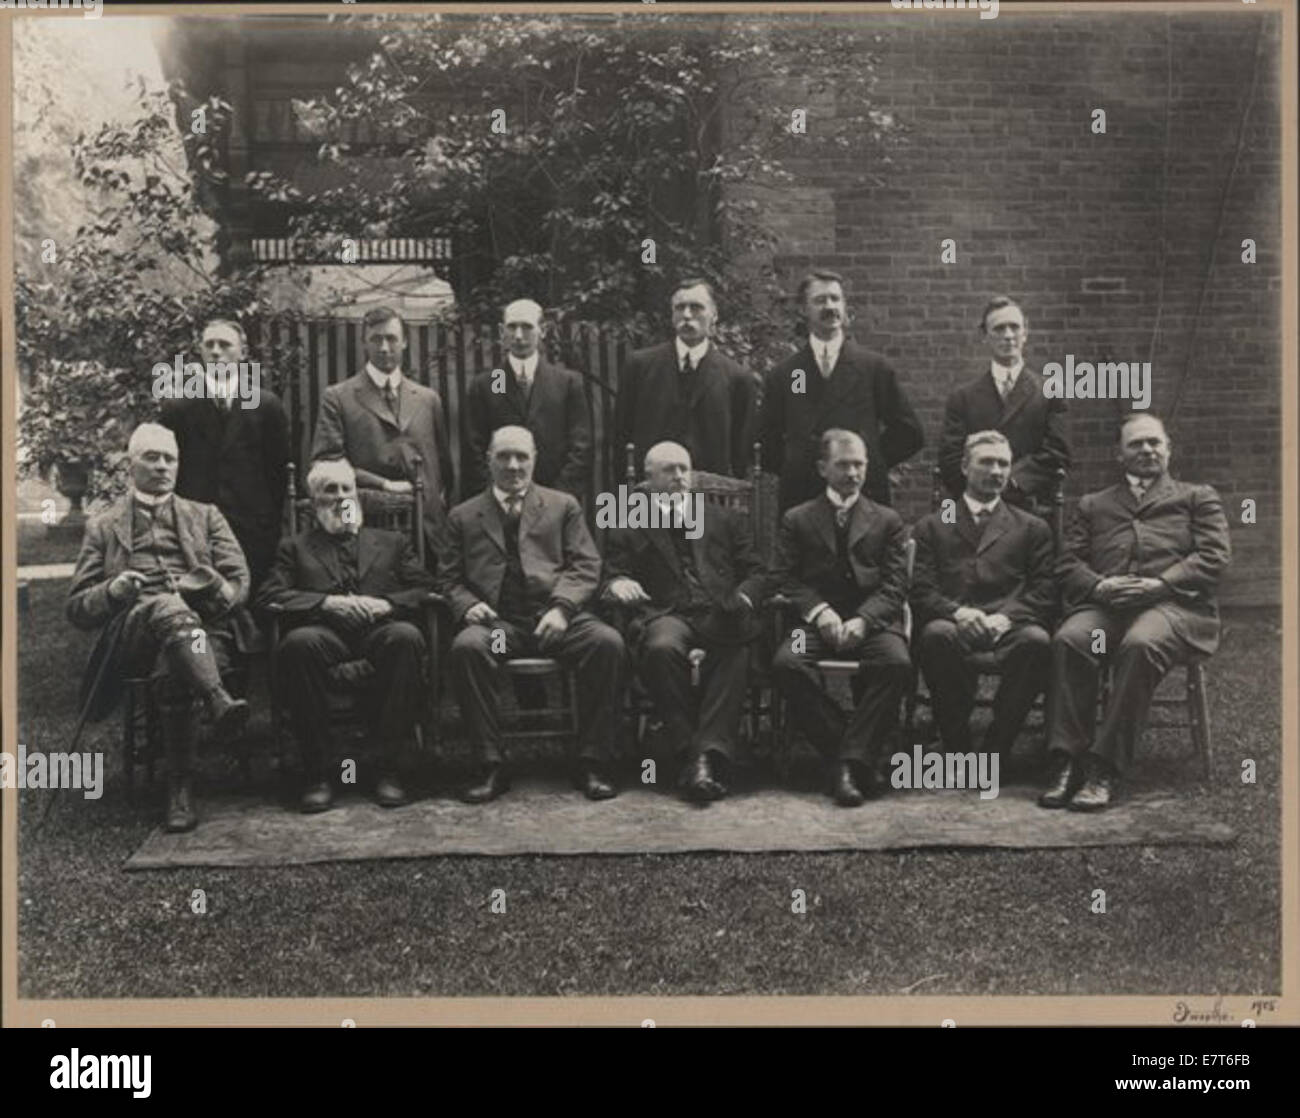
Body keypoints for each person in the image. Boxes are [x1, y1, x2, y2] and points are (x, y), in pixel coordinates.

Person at [66, 423, 257, 833]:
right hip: (134, 634)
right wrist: (114, 590)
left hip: (201, 634)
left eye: (170, 458)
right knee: (166, 606)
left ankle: (179, 790)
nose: (162, 466)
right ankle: (218, 698)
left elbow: (239, 580)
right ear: (129, 465)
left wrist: (216, 589)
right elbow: (78, 608)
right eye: (151, 457)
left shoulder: (205, 516)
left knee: (175, 667)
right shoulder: (104, 525)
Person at [1041, 415, 1230, 811]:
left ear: (1168, 448)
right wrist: (1099, 586)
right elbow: (1067, 563)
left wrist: (1162, 584)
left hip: (1174, 607)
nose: (1146, 450)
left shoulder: (1197, 497)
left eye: (1154, 443)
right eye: (1136, 444)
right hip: (1108, 609)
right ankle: (1067, 759)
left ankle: (1104, 767)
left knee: (1141, 643)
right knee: (1072, 639)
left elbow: (1214, 557)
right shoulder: (1095, 504)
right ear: (1118, 454)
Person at [441, 426, 625, 803]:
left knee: (606, 643)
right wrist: (468, 604)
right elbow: (448, 578)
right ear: (488, 460)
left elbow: (586, 565)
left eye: (521, 456)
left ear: (535, 459)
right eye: (504, 456)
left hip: (558, 619)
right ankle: (491, 764)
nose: (513, 466)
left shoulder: (563, 506)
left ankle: (591, 760)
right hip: (500, 625)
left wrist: (562, 608)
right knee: (468, 648)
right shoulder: (463, 515)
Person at [257, 458, 437, 812]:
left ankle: (387, 769)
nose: (340, 497)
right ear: (313, 500)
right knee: (298, 644)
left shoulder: (392, 542)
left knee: (406, 637)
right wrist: (326, 603)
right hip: (325, 634)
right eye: (330, 490)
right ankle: (319, 773)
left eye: (346, 489)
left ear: (357, 495)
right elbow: (269, 596)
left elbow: (427, 589)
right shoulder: (296, 547)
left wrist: (386, 604)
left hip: (379, 630)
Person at [603, 441, 767, 802]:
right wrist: (620, 583)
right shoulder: (628, 516)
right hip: (665, 612)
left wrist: (744, 597)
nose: (679, 476)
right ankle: (696, 754)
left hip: (718, 610)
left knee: (735, 651)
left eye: (683, 468)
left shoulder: (721, 517)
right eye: (669, 470)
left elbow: (755, 570)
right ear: (648, 478)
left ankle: (700, 758)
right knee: (661, 648)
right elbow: (611, 572)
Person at [770, 429, 912, 806]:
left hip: (874, 621)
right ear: (822, 468)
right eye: (843, 464)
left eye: (859, 464)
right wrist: (820, 612)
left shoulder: (887, 520)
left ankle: (845, 763)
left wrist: (863, 620)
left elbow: (896, 585)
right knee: (786, 663)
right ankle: (853, 755)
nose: (853, 473)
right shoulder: (797, 518)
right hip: (813, 623)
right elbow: (784, 577)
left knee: (896, 662)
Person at [910, 430, 1056, 763]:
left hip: (1010, 625)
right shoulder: (934, 524)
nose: (996, 471)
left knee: (1036, 641)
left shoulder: (1031, 527)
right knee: (935, 636)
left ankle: (997, 748)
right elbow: (920, 589)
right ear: (964, 466)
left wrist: (1005, 618)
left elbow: (1045, 589)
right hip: (954, 624)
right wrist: (959, 614)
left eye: (1003, 463)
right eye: (986, 462)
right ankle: (957, 745)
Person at [761, 269, 923, 512]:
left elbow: (909, 432)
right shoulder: (787, 373)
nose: (830, 306)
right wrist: (798, 465)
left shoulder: (874, 368)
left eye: (835, 299)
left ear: (845, 306)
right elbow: (764, 440)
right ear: (804, 310)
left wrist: (868, 462)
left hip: (863, 495)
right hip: (803, 498)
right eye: (820, 300)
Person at [311, 305, 455, 558]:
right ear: (364, 343)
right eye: (376, 339)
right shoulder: (338, 397)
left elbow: (443, 468)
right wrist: (384, 485)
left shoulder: (428, 399)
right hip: (366, 526)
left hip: (425, 529)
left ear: (405, 342)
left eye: (391, 338)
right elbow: (326, 462)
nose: (385, 347)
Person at [160, 317, 291, 591]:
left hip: (252, 528)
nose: (216, 351)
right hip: (195, 527)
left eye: (225, 344)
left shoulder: (267, 405)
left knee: (252, 603)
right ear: (201, 353)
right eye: (209, 345)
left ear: (243, 353)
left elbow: (276, 473)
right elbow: (169, 471)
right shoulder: (178, 407)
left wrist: (269, 524)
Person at [937, 296, 1070, 513]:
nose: (1008, 335)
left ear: (1025, 333)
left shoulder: (1049, 391)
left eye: (1014, 327)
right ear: (984, 336)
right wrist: (981, 491)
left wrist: (1012, 481)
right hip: (976, 508)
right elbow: (950, 458)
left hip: (1031, 507)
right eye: (999, 329)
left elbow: (1058, 452)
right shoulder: (963, 398)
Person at [616, 278, 757, 479]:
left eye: (696, 307)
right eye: (680, 308)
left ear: (714, 315)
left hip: (710, 497)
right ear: (672, 316)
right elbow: (622, 439)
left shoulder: (737, 377)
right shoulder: (639, 367)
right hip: (649, 495)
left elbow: (741, 453)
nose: (687, 315)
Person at [465, 298, 593, 502]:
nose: (518, 336)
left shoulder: (567, 383)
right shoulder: (488, 384)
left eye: (526, 327)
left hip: (555, 502)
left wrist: (557, 500)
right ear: (501, 332)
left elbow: (581, 448)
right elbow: (474, 450)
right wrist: (496, 497)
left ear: (542, 330)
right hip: (500, 503)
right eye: (512, 327)